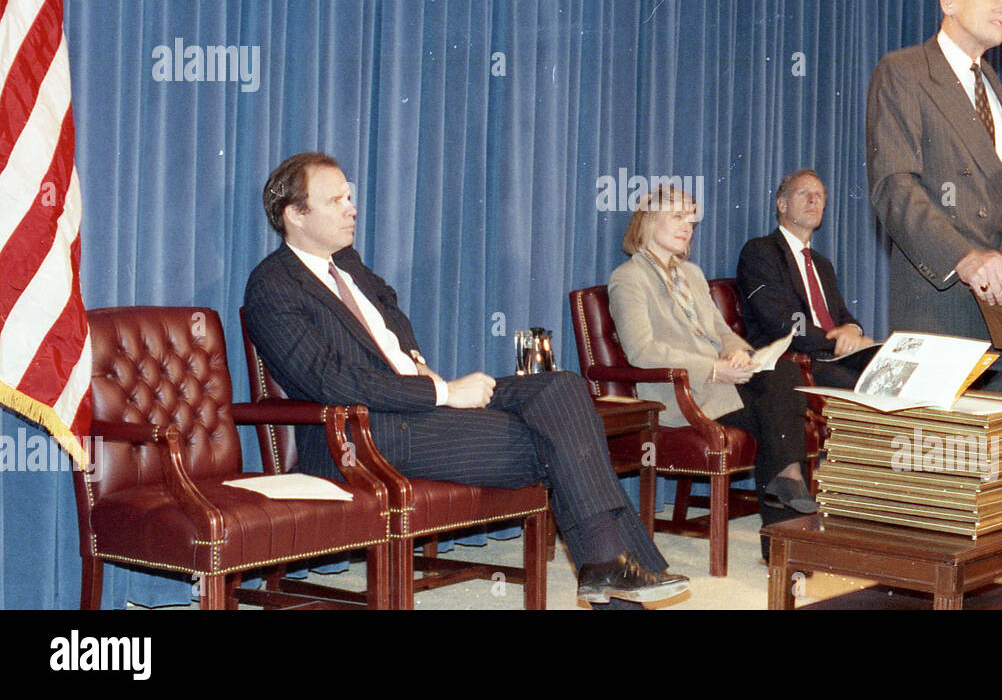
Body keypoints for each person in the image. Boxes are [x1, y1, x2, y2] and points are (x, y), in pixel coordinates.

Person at [243, 152, 688, 607]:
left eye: (350, 197)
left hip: (417, 409)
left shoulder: (349, 264)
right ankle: (617, 572)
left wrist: (421, 367)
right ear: (294, 215)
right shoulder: (273, 285)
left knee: (563, 387)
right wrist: (443, 391)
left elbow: (392, 325)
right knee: (560, 437)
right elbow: (328, 380)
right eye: (335, 200)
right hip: (364, 434)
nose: (351, 208)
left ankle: (607, 567)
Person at [865, 0, 1002, 392]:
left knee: (994, 452)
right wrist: (964, 258)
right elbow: (894, 186)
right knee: (938, 452)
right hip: (944, 297)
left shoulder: (992, 83)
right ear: (948, 1)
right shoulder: (904, 70)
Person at [607, 183, 817, 522]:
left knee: (785, 375)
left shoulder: (691, 273)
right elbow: (641, 350)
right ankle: (788, 533)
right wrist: (714, 368)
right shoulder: (629, 278)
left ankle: (787, 485)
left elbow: (721, 332)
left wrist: (739, 354)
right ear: (647, 221)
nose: (686, 227)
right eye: (676, 217)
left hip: (723, 383)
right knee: (776, 412)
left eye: (690, 220)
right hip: (683, 391)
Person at [736, 168, 874, 391]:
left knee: (895, 371)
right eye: (803, 193)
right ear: (782, 204)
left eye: (819, 196)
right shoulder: (761, 251)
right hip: (796, 360)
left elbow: (842, 315)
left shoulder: (822, 264)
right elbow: (781, 322)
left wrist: (853, 331)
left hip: (833, 354)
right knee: (867, 388)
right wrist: (840, 342)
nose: (813, 200)